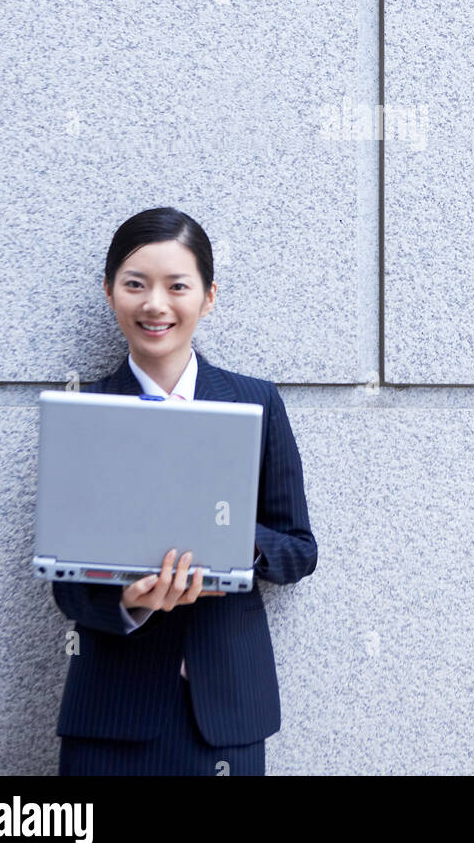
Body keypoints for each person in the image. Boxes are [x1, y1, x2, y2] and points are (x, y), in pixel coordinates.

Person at [52, 206, 317, 776]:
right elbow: (64, 585)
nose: (155, 304)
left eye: (177, 286)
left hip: (226, 711)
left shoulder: (256, 402)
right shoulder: (84, 413)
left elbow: (300, 549)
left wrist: (227, 544)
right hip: (111, 714)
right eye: (135, 284)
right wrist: (128, 601)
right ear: (109, 292)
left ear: (208, 296)